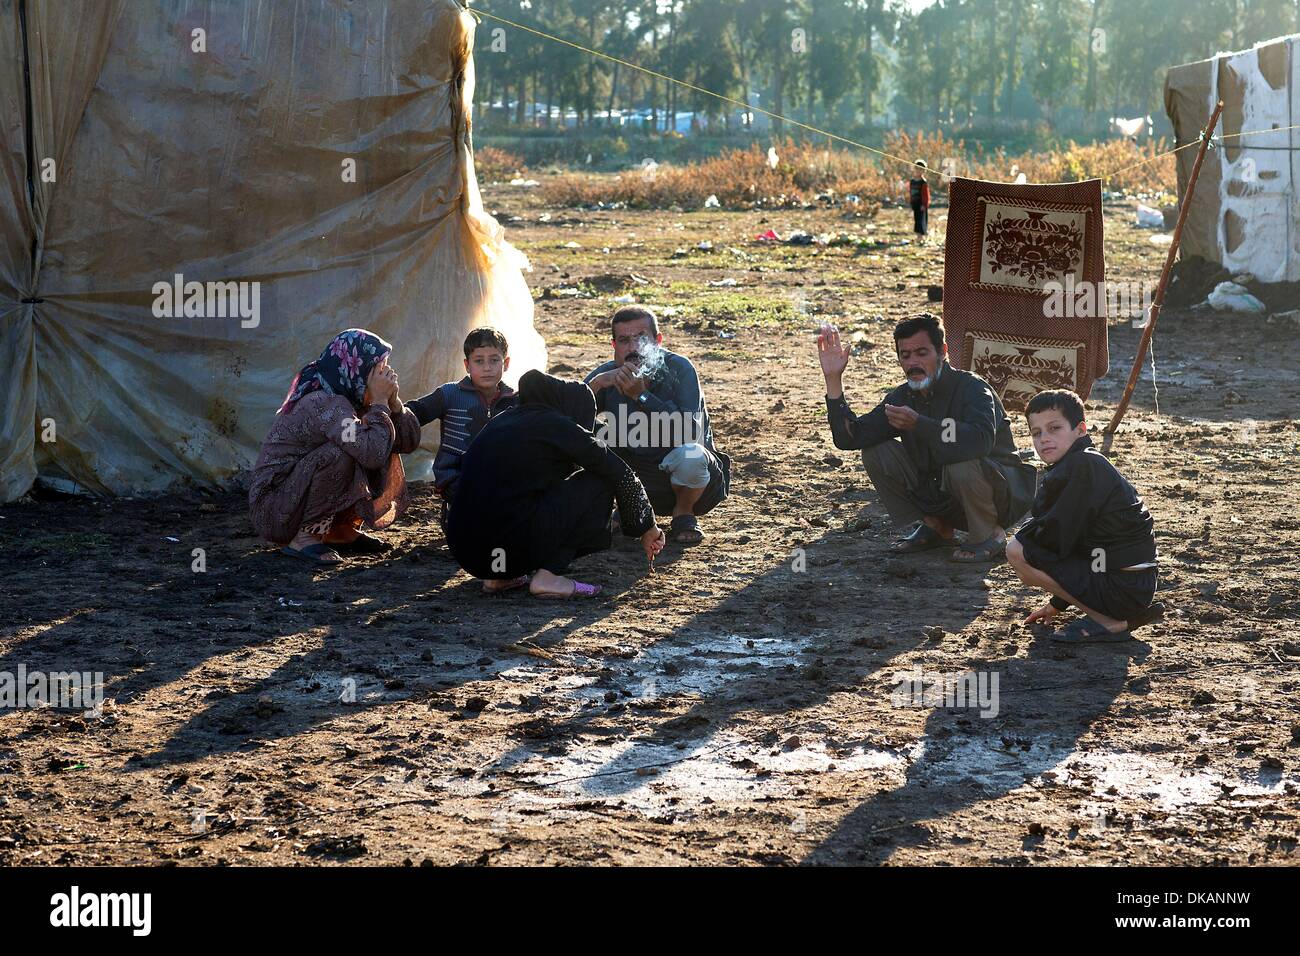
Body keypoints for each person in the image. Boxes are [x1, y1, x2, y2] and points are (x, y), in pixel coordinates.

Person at [818, 314, 1036, 562]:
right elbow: (851, 437)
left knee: (960, 462)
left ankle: (988, 535)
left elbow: (978, 440)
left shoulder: (973, 389)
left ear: (942, 351)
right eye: (905, 355)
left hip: (998, 496)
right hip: (942, 497)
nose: (913, 363)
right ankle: (936, 527)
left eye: (922, 353)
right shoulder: (903, 397)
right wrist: (833, 379)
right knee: (877, 452)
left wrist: (921, 425)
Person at [446, 370, 666, 599]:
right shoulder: (557, 424)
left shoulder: (503, 420)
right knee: (601, 480)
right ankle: (548, 576)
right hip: (507, 549)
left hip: (470, 555)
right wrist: (648, 528)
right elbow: (620, 473)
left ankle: (500, 577)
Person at [249, 328, 422, 565]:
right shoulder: (325, 402)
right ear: (355, 369)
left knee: (378, 435)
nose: (385, 374)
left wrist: (394, 404)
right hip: (275, 510)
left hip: (293, 498)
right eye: (377, 368)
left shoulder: (350, 401)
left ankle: (339, 532)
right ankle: (304, 537)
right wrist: (380, 403)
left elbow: (407, 442)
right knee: (345, 452)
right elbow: (372, 454)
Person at [1007, 389, 1163, 644]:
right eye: (1037, 433)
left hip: (1125, 588)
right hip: (1131, 585)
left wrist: (1026, 535)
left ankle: (1109, 622)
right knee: (1030, 543)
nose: (1044, 439)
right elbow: (1075, 541)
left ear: (1081, 430)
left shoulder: (1083, 466)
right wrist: (1057, 604)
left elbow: (1054, 538)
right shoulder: (1079, 462)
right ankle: (1115, 615)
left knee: (1017, 550)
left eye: (1054, 428)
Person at [585, 306, 731, 546]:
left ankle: (684, 514)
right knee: (587, 438)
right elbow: (567, 421)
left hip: (693, 483)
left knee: (691, 455)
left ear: (658, 341)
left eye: (641, 338)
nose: (632, 348)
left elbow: (689, 433)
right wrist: (596, 386)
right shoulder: (606, 375)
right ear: (614, 346)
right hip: (636, 480)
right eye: (624, 341)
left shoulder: (679, 369)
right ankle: (630, 509)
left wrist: (641, 396)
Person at [405, 327, 516, 526]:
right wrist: (389, 412)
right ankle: (457, 516)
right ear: (467, 365)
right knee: (476, 511)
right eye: (479, 361)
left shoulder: (516, 402)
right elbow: (415, 412)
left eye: (494, 360)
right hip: (456, 476)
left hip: (500, 476)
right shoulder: (450, 394)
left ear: (505, 363)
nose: (487, 367)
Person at [909, 159, 931, 241]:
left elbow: (926, 195)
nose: (918, 171)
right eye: (917, 169)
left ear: (923, 171)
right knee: (916, 219)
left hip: (921, 205)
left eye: (920, 169)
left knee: (921, 220)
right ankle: (918, 235)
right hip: (915, 204)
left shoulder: (923, 182)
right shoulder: (912, 181)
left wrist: (924, 205)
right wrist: (911, 202)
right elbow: (911, 193)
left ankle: (921, 236)